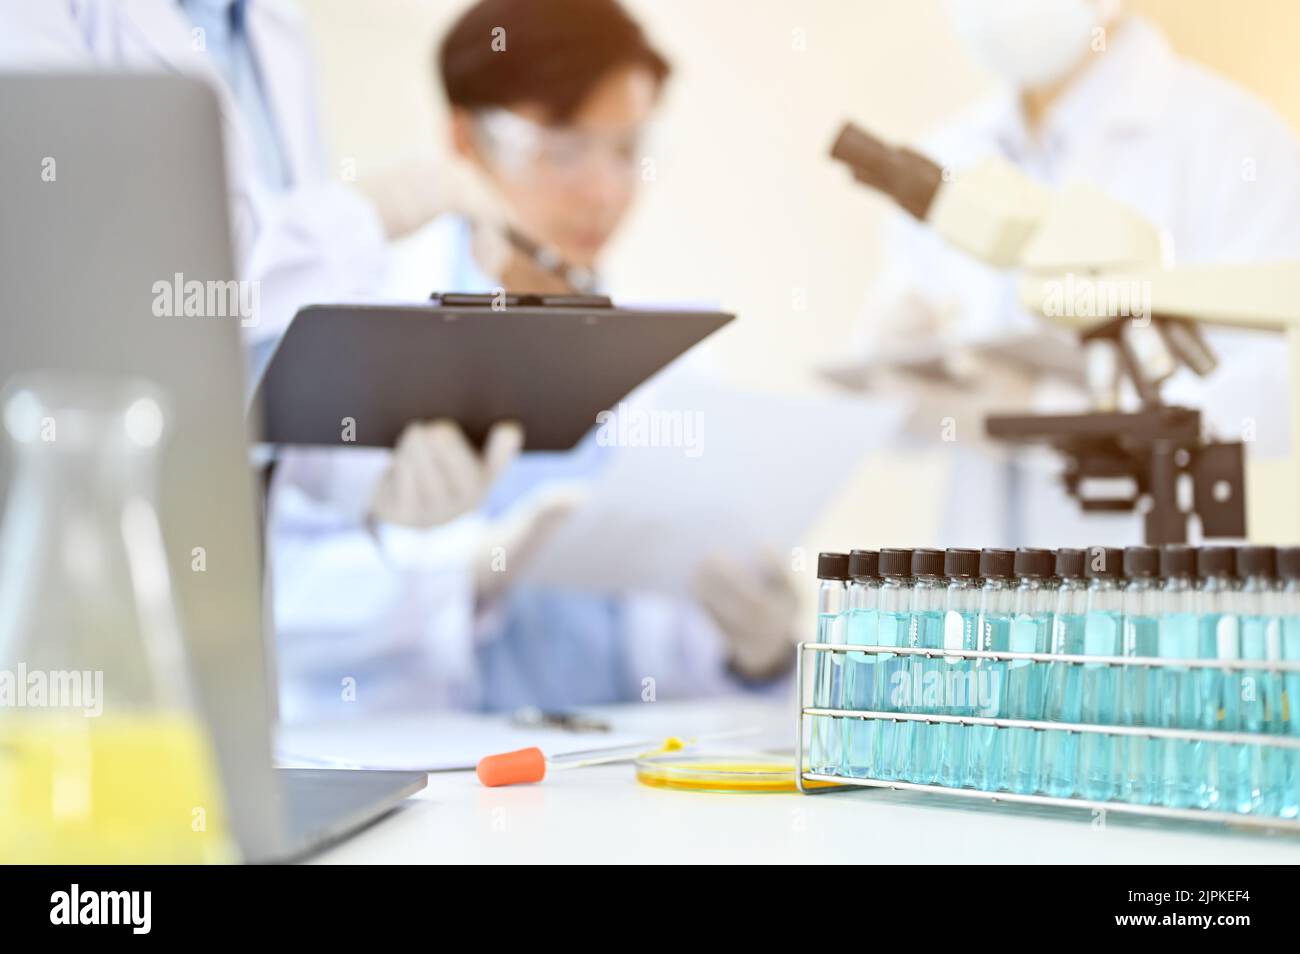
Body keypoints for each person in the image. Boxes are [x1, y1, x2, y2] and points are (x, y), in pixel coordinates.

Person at [270, 0, 800, 721]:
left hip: (612, 784)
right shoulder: (348, 329)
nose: (604, 191)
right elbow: (271, 600)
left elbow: (673, 660)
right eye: (562, 147)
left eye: (625, 151)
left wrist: (759, 651)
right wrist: (475, 571)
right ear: (464, 140)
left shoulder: (673, 368)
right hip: (411, 786)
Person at [855, 0, 1300, 548]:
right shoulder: (952, 154)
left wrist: (1047, 413)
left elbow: (1272, 403)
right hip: (983, 585)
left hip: (1158, 579)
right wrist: (893, 375)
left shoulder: (1235, 142)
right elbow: (898, 434)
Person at [0, 0, 451, 346]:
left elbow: (293, 307)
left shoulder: (273, 23)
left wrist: (377, 461)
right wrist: (375, 210)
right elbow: (140, 276)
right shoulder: (42, 16)